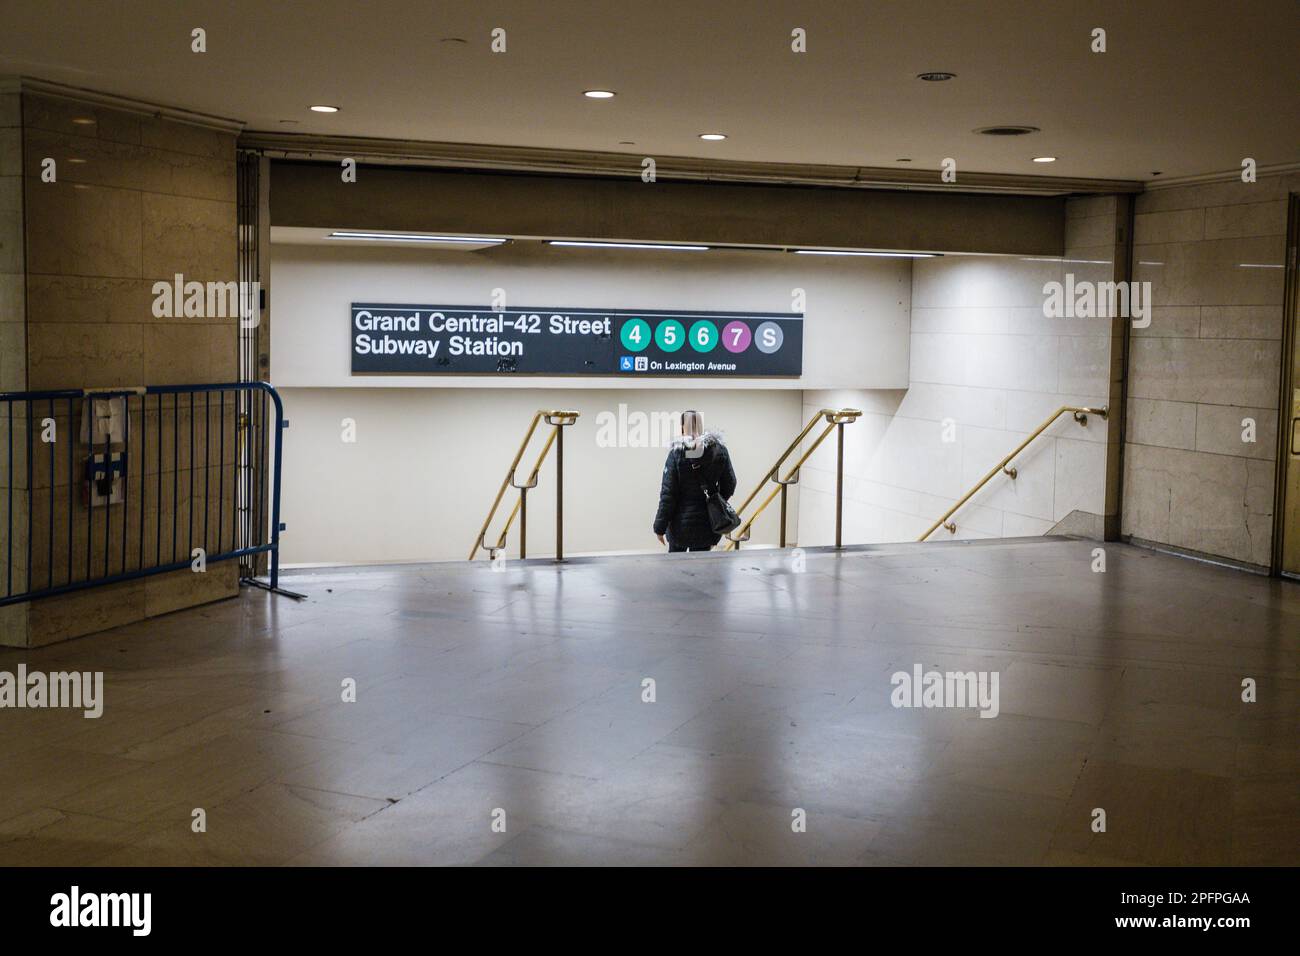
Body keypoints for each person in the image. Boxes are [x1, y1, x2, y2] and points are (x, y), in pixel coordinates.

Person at [652, 410, 737, 552]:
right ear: (701, 425)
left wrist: (659, 528)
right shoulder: (719, 451)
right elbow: (730, 483)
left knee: (675, 569)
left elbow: (668, 495)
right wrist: (714, 500)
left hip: (679, 525)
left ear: (682, 427)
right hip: (708, 523)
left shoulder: (676, 453)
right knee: (701, 568)